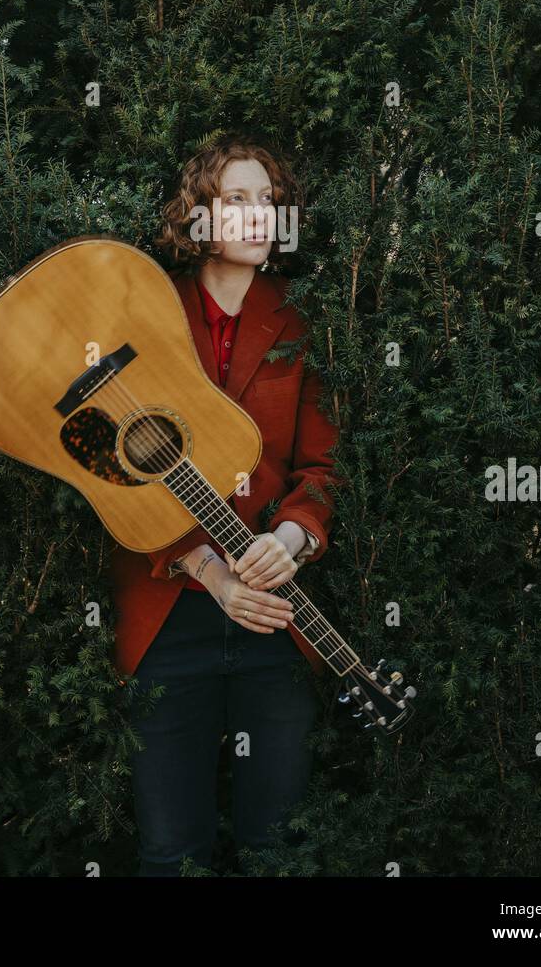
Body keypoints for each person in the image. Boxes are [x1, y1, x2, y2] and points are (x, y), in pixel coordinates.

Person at [109, 134, 339, 876]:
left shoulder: (301, 324)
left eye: (268, 201)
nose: (256, 216)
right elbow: (113, 463)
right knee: (171, 853)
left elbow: (322, 469)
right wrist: (208, 569)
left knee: (276, 849)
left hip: (277, 619)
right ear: (196, 214)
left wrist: (294, 540)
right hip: (169, 614)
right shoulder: (149, 314)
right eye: (234, 200)